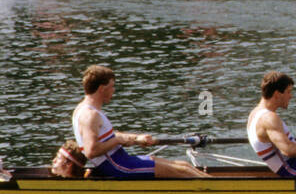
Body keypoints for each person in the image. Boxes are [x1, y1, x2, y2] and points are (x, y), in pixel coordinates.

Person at [73, 65, 211, 180]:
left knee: (184, 165)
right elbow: (91, 151)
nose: (113, 91)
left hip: (121, 160)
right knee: (183, 172)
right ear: (102, 89)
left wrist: (135, 139)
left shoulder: (84, 109)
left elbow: (107, 136)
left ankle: (215, 183)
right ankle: (222, 188)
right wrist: (118, 139)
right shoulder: (89, 115)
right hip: (117, 167)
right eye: (112, 86)